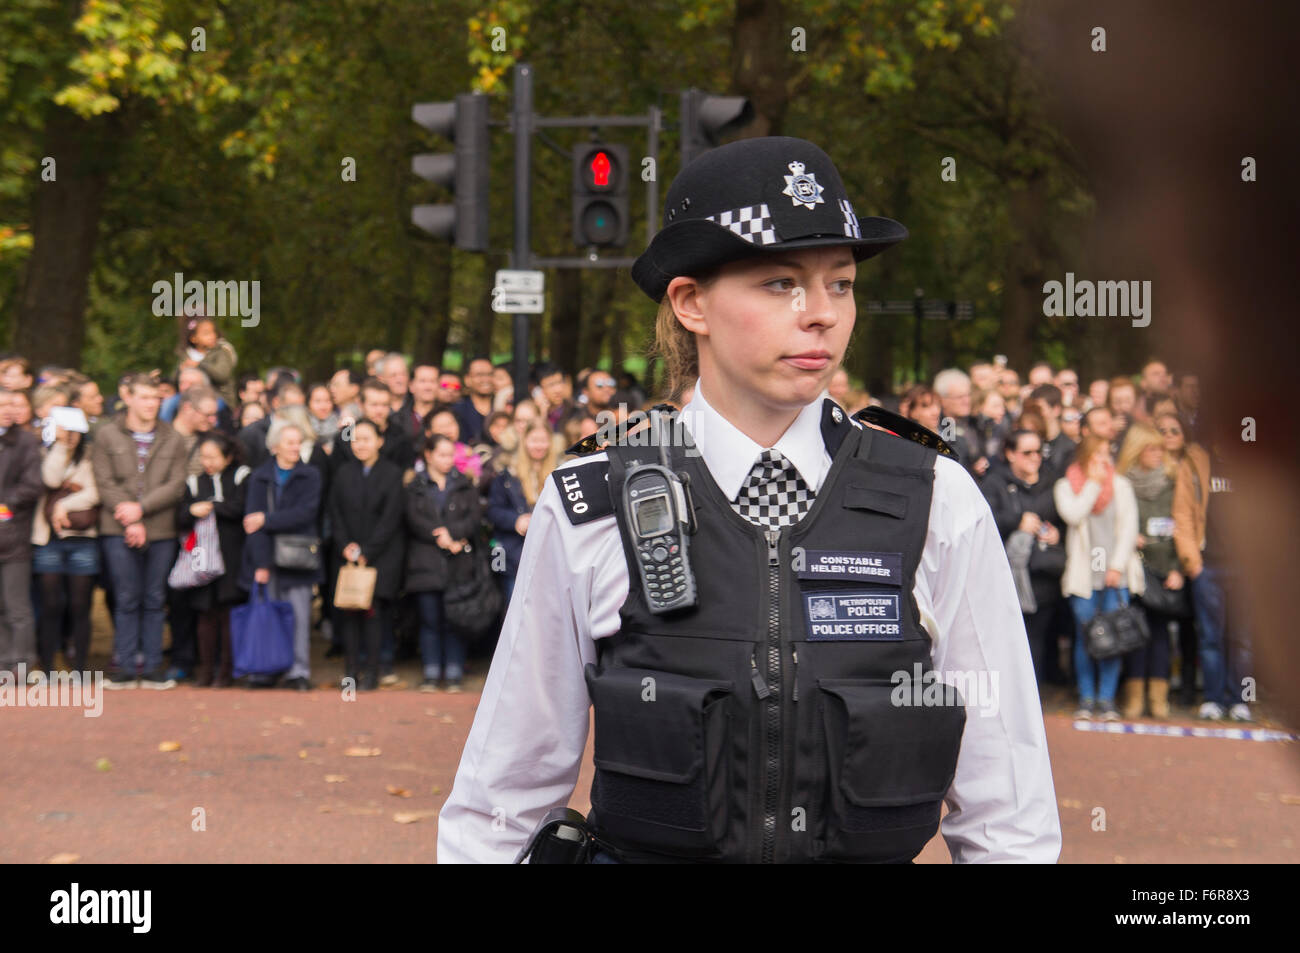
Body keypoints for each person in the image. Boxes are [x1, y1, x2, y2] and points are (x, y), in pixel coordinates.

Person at [438, 135, 1060, 864]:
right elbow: (504, 794)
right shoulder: (596, 502)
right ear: (691, 301)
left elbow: (1006, 806)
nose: (821, 312)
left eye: (841, 283)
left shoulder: (936, 498)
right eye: (779, 283)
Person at [92, 373, 189, 689]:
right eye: (145, 397)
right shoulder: (107, 435)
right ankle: (123, 665)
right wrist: (130, 518)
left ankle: (151, 667)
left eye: (156, 398)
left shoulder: (173, 437)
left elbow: (175, 485)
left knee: (154, 597)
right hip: (117, 528)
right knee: (126, 596)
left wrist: (142, 510)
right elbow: (104, 481)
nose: (151, 404)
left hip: (160, 530)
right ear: (127, 396)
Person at [1053, 435, 1144, 720]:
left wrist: (1116, 567)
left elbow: (1130, 528)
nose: (1103, 461)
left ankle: (1106, 700)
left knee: (1114, 637)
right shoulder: (1066, 486)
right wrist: (1092, 484)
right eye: (1097, 456)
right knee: (1086, 637)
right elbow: (1073, 514)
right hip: (1083, 578)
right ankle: (1086, 698)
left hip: (1115, 577)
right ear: (1084, 458)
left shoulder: (1122, 486)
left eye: (1107, 455)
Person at [1172, 427, 1251, 721]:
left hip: (1247, 569)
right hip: (1208, 565)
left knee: (1242, 638)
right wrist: (1191, 560)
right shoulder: (1194, 462)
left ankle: (1241, 699)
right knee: (1209, 636)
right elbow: (1182, 513)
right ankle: (1214, 699)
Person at [240, 419, 322, 690]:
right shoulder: (259, 477)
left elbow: (305, 514)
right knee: (269, 615)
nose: (295, 447)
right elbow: (252, 524)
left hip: (298, 556)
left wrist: (267, 519)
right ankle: (266, 670)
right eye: (290, 442)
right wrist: (261, 563)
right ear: (275, 446)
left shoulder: (311, 475)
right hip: (267, 557)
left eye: (298, 442)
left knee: (298, 616)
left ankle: (298, 671)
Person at [981, 429, 1065, 687]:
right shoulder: (994, 482)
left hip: (1043, 576)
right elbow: (983, 520)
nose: (1035, 457)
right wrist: (1017, 521)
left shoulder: (1053, 482)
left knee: (1036, 642)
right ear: (1010, 454)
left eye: (1039, 451)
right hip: (1005, 578)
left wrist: (1057, 533)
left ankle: (1032, 698)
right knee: (1006, 643)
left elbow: (1068, 520)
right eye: (1027, 452)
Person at [328, 419, 405, 691]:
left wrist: (368, 551)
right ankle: (350, 672)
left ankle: (372, 673)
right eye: (356, 439)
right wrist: (346, 545)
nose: (360, 444)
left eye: (366, 439)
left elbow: (391, 518)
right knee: (349, 614)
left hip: (381, 556)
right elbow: (335, 513)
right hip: (348, 554)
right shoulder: (343, 472)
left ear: (379, 442)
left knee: (374, 615)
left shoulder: (393, 473)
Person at [1116, 422, 1182, 719]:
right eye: (1152, 449)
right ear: (1137, 451)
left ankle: (1159, 700)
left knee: (1159, 635)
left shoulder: (1172, 481)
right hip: (1134, 570)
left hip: (1166, 568)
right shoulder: (1121, 484)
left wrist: (1179, 567)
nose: (1159, 454)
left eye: (1160, 449)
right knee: (1135, 633)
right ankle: (1134, 698)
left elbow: (1186, 526)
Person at [405, 433, 481, 693]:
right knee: (429, 620)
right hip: (424, 562)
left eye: (451, 455)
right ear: (428, 455)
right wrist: (439, 534)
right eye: (442, 454)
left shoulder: (464, 484)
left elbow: (474, 518)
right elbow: (412, 518)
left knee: (455, 618)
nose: (448, 460)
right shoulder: (415, 485)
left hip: (458, 562)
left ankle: (454, 671)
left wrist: (454, 534)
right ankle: (431, 670)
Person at [175, 433, 250, 687]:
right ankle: (206, 670)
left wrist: (211, 507)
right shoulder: (194, 482)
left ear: (227, 457)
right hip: (202, 557)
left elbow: (241, 508)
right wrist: (191, 510)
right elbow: (181, 517)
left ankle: (227, 671)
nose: (207, 462)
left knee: (228, 613)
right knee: (205, 613)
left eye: (212, 457)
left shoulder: (241, 477)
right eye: (203, 457)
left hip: (232, 556)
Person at [30, 411, 100, 677]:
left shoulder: (92, 454)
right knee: (50, 605)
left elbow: (95, 491)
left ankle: (79, 668)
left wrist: (63, 504)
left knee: (80, 605)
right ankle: (47, 666)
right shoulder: (43, 452)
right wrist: (61, 446)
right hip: (48, 540)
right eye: (63, 428)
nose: (69, 433)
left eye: (74, 428)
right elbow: (50, 479)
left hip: (83, 540)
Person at [487, 422, 560, 606]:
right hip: (514, 556)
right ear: (524, 441)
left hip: (550, 556)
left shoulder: (561, 473)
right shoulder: (507, 475)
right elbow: (493, 510)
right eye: (534, 440)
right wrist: (515, 520)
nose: (539, 446)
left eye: (543, 440)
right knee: (515, 609)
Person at [0, 389, 46, 680]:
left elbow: (32, 486)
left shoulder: (25, 442)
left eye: (11, 405)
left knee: (16, 604)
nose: (8, 409)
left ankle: (20, 665)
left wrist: (5, 506)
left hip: (12, 535)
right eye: (2, 404)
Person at [179, 316, 239, 408]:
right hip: (190, 397)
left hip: (219, 397)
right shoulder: (187, 355)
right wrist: (180, 371)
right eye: (206, 334)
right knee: (170, 404)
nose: (212, 336)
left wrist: (199, 365)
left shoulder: (221, 352)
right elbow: (175, 380)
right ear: (194, 338)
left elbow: (222, 375)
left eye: (213, 332)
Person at [453, 358, 496, 445]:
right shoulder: (457, 411)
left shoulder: (503, 407)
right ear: (467, 380)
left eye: (490, 374)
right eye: (479, 375)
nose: (485, 379)